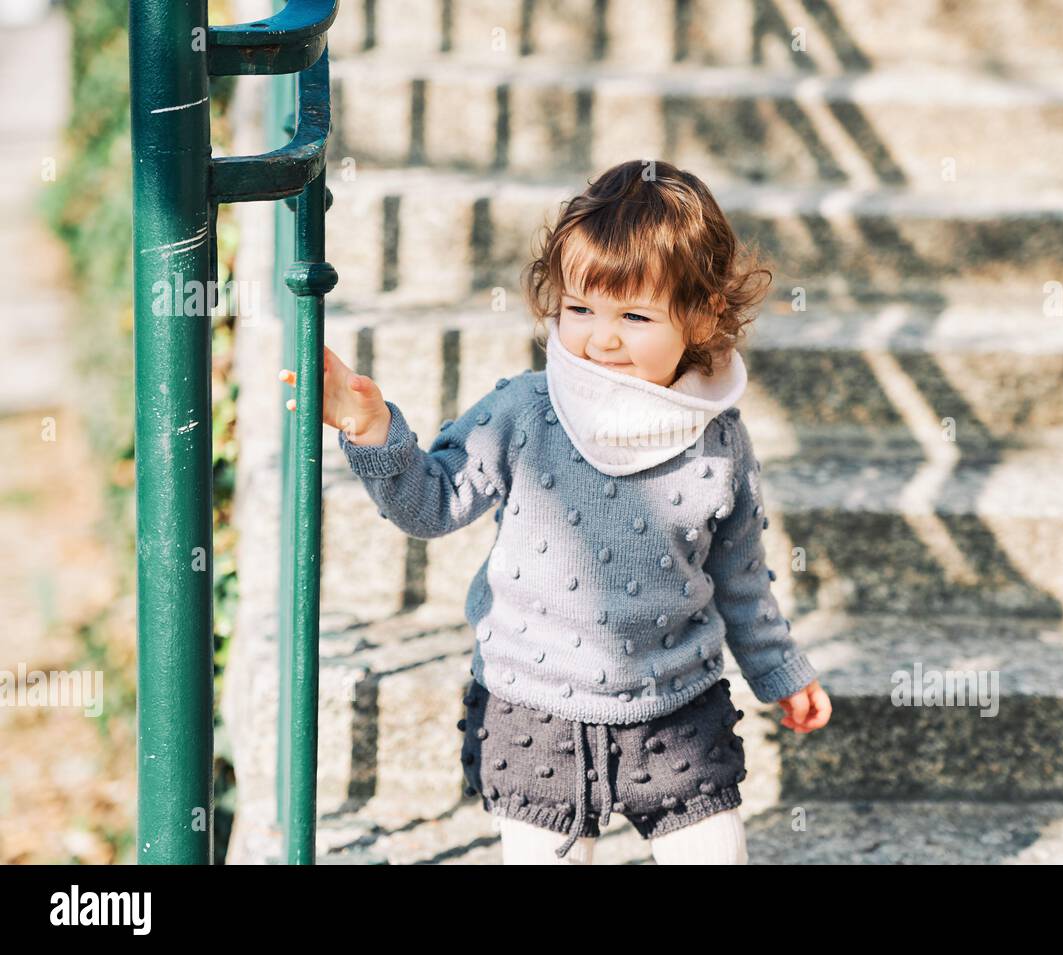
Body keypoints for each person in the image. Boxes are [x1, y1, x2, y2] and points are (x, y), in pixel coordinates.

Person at [281, 159, 832, 864]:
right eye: (580, 309)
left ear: (701, 316)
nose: (601, 338)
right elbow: (432, 502)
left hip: (678, 708)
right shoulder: (525, 410)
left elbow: (742, 576)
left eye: (635, 316)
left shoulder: (716, 437)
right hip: (534, 708)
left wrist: (780, 669)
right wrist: (372, 429)